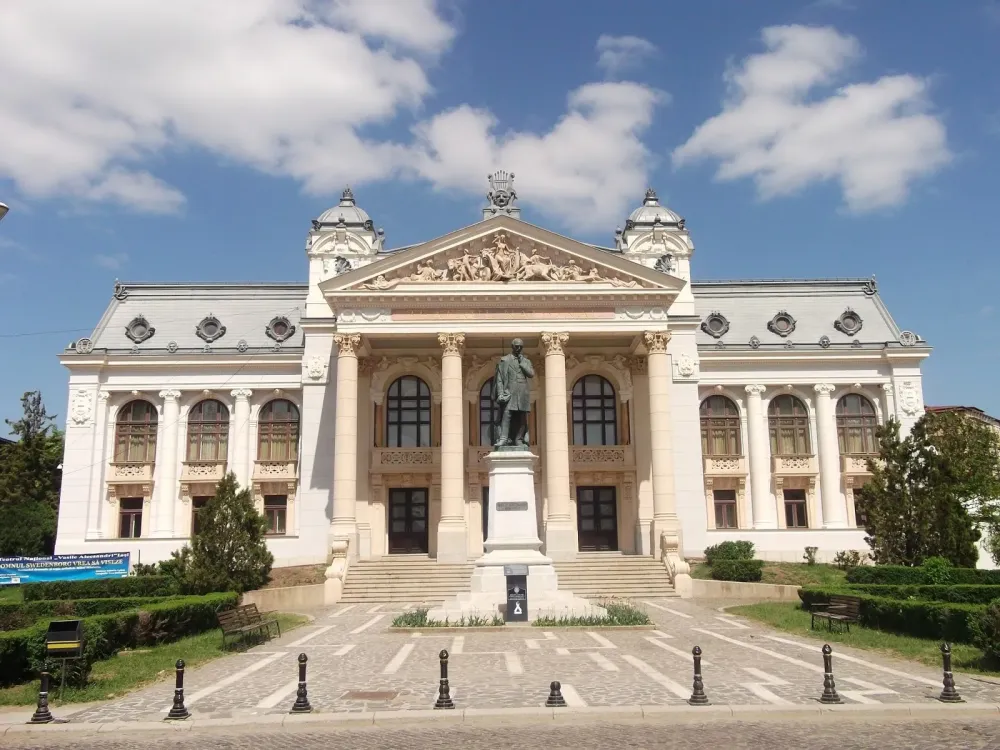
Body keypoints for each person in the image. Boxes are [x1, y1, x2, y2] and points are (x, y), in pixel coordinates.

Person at [493, 338, 534, 447]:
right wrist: (501, 393)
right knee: (507, 415)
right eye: (516, 346)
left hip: (522, 392)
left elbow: (531, 374)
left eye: (521, 346)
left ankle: (519, 439)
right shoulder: (504, 360)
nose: (519, 348)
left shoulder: (526, 361)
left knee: (522, 417)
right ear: (512, 347)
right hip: (509, 392)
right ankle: (503, 438)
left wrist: (522, 362)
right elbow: (499, 379)